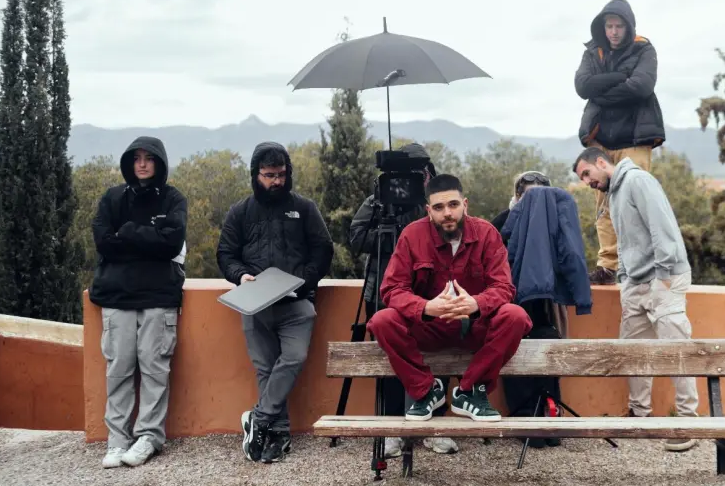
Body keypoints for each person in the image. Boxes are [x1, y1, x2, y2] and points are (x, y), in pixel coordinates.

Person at [367, 174, 532, 422]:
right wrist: (426, 307)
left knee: (515, 316)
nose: (447, 213)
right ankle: (426, 391)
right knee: (383, 321)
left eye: (453, 205)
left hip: (476, 329)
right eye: (439, 207)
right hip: (430, 328)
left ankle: (470, 391)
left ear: (465, 204)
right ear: (428, 210)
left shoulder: (486, 233)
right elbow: (391, 289)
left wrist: (476, 304)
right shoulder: (412, 235)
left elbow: (504, 287)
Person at [573, 146, 700, 452]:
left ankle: (689, 422)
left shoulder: (637, 181)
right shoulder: (613, 193)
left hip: (662, 279)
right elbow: (626, 241)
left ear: (602, 162)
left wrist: (665, 273)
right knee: (632, 350)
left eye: (587, 173)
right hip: (635, 282)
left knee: (675, 349)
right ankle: (639, 416)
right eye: (582, 178)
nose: (587, 181)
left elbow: (662, 225)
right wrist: (625, 279)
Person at [216, 141, 334, 463]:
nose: (276, 181)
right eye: (269, 175)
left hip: (298, 304)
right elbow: (225, 254)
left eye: (281, 174)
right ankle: (276, 434)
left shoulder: (305, 208)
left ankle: (258, 417)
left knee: (293, 358)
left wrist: (304, 281)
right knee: (265, 369)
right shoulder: (239, 212)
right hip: (255, 304)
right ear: (256, 175)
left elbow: (323, 249)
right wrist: (241, 276)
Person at [347, 143, 459, 456]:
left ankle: (433, 426)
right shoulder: (381, 200)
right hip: (386, 291)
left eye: (423, 173)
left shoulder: (438, 203)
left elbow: (456, 235)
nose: (418, 179)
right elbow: (356, 237)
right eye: (412, 174)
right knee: (391, 359)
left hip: (432, 292)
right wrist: (392, 231)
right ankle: (392, 428)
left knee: (438, 356)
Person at [88, 136, 188, 469]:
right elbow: (103, 242)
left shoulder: (173, 199)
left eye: (149, 158)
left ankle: (148, 436)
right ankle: (117, 440)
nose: (142, 163)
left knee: (154, 366)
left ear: (159, 163)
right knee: (118, 367)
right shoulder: (113, 197)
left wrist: (128, 232)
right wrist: (147, 237)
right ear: (129, 163)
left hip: (160, 294)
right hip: (117, 295)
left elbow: (172, 243)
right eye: (137, 158)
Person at [495, 171, 592, 449]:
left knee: (536, 348)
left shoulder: (512, 221)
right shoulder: (514, 221)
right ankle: (538, 418)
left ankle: (538, 419)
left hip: (532, 307)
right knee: (533, 351)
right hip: (530, 308)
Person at [574, 0, 664, 286]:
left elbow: (642, 86)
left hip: (636, 138)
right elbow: (582, 86)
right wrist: (620, 77)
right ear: (602, 27)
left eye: (619, 26)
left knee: (637, 201)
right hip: (602, 140)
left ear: (628, 27)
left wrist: (601, 92)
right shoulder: (593, 52)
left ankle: (643, 264)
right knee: (604, 205)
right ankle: (607, 266)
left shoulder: (643, 49)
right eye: (609, 26)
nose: (613, 31)